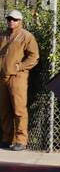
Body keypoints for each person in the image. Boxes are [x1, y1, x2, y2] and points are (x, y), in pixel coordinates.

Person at [0, 10, 39, 150]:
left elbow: (34, 56)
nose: (11, 21)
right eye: (9, 19)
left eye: (14, 19)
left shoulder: (27, 36)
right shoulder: (3, 35)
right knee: (3, 109)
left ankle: (21, 140)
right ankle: (6, 138)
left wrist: (20, 66)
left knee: (18, 109)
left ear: (20, 21)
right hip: (2, 76)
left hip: (18, 77)